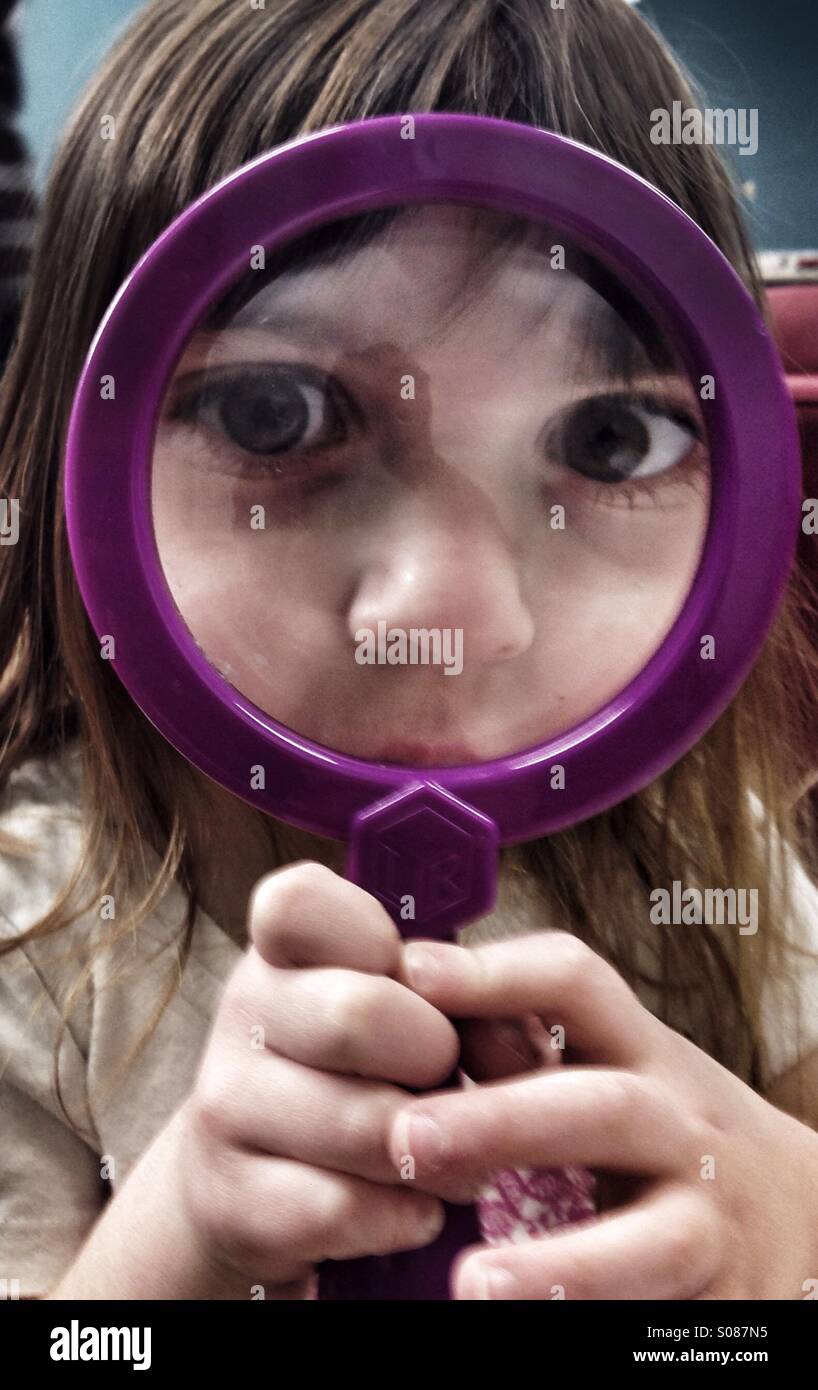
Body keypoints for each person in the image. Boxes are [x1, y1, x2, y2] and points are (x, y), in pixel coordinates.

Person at [1, 0, 817, 1303]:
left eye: (610, 441)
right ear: (76, 472)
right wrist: (188, 1232)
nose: (453, 612)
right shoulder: (29, 934)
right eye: (279, 415)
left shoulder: (710, 862)